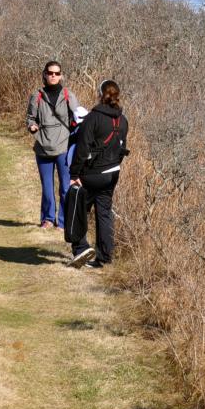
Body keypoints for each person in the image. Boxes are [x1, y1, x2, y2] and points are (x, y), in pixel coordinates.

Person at [67, 80, 129, 269]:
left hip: (92, 173)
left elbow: (82, 149)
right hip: (112, 173)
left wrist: (74, 174)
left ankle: (81, 249)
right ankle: (104, 256)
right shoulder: (122, 120)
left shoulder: (93, 118)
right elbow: (121, 148)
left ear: (99, 94)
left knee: (78, 208)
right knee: (104, 213)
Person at [26, 61, 81, 230]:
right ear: (45, 74)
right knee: (47, 187)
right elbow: (30, 118)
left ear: (61, 75)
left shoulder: (68, 95)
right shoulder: (37, 96)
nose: (53, 76)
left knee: (65, 187)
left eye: (57, 73)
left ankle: (63, 222)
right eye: (50, 73)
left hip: (64, 147)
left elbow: (78, 118)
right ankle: (48, 219)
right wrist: (32, 126)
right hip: (43, 146)